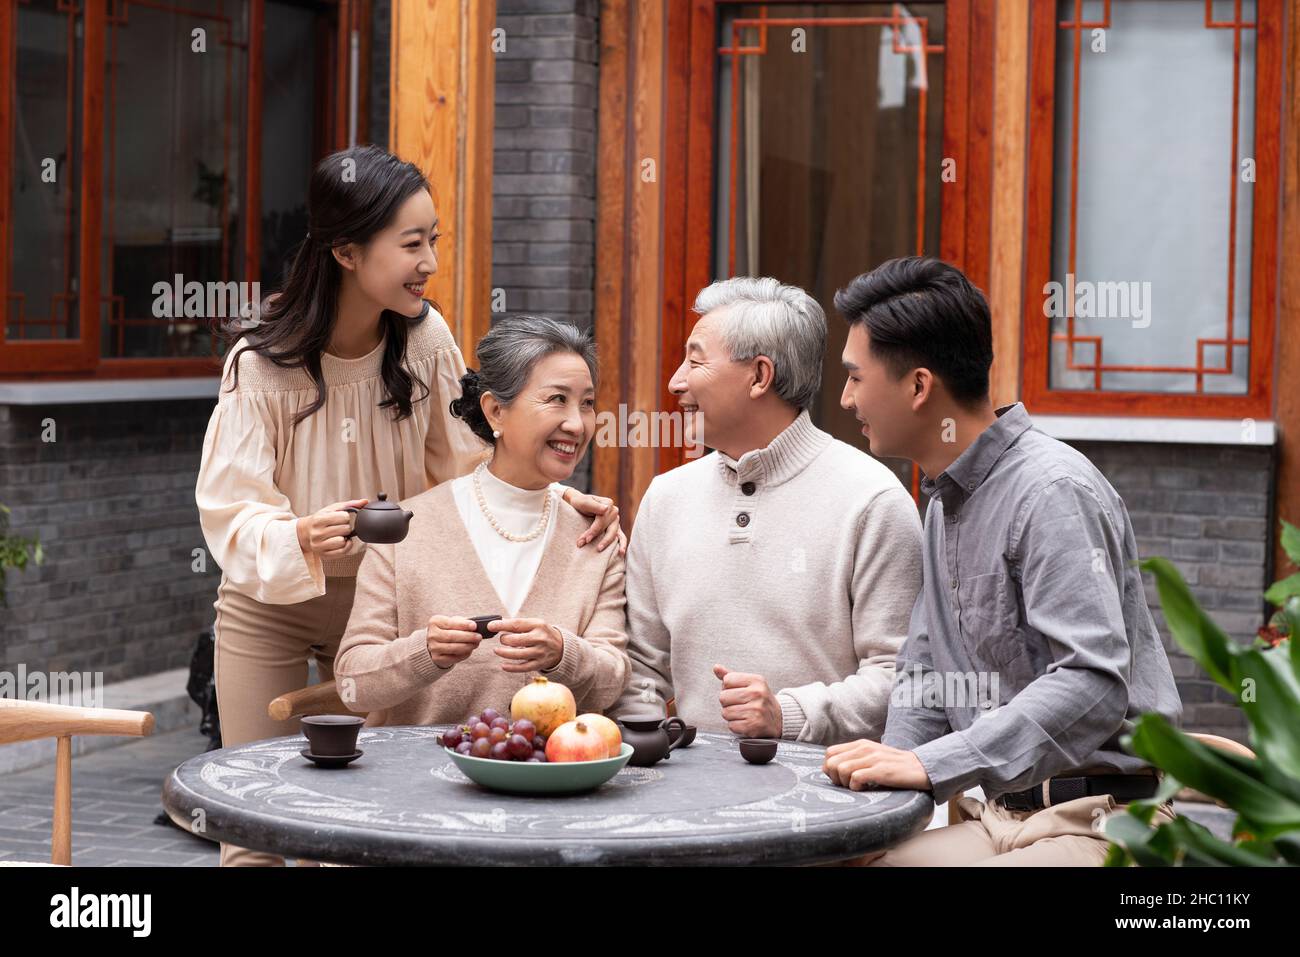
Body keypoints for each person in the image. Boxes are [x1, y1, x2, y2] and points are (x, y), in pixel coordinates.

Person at [195, 147, 624, 867]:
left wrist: (552, 494)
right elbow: (229, 506)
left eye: (434, 240)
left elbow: (472, 460)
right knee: (255, 820)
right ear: (347, 251)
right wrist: (299, 531)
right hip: (271, 600)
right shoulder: (261, 362)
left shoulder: (424, 339)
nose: (429, 261)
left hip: (384, 603)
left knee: (351, 820)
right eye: (412, 243)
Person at [823, 256, 1182, 866]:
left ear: (917, 386)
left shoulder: (1052, 492)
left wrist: (929, 764)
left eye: (856, 377)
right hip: (999, 818)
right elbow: (926, 670)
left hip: (1102, 821)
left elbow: (1090, 683)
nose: (846, 397)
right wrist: (885, 785)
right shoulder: (941, 500)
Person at [611, 277, 923, 745]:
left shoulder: (873, 500)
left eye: (695, 361)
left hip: (831, 801)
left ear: (759, 376)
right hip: (686, 797)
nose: (676, 382)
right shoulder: (665, 498)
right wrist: (648, 756)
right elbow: (640, 667)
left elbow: (901, 677)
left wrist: (789, 714)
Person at [335, 316, 631, 725]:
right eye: (557, 399)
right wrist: (424, 653)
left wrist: (564, 653)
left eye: (587, 403)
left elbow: (613, 680)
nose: (577, 424)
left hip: (551, 776)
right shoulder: (408, 531)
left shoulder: (595, 536)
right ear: (495, 411)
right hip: (417, 778)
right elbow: (352, 682)